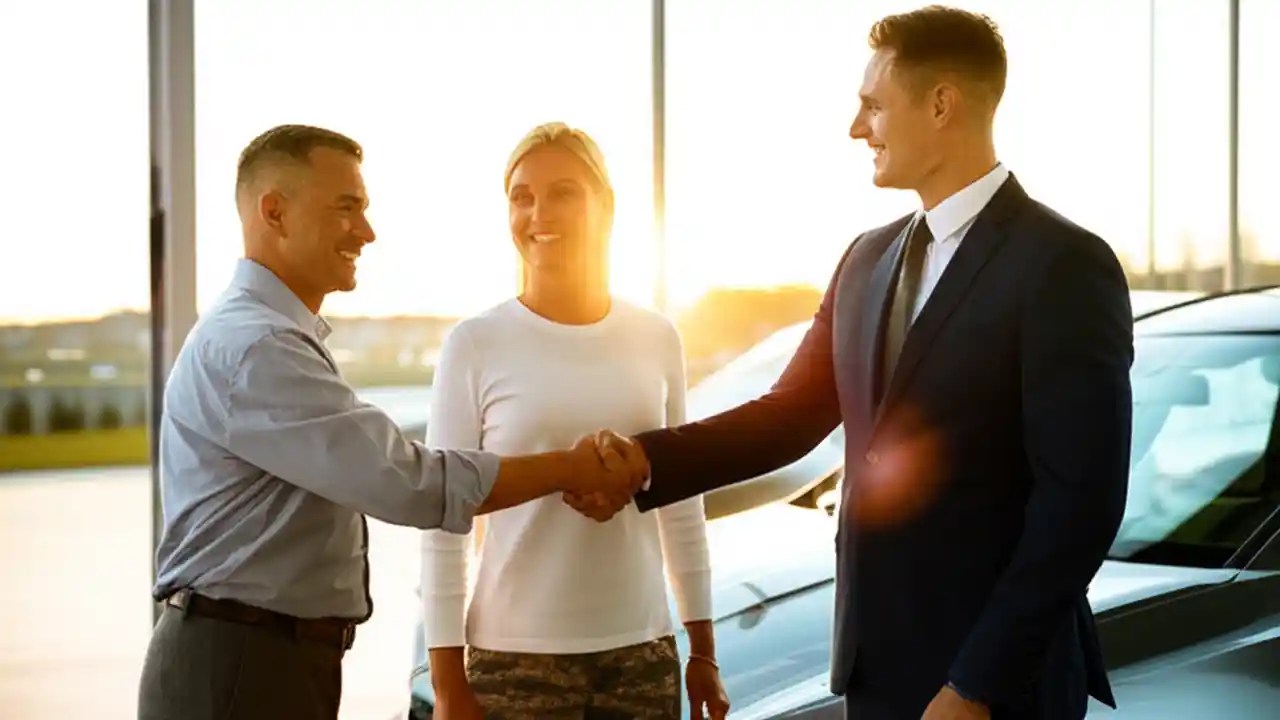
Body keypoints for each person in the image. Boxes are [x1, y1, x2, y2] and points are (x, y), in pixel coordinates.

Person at [589, 7, 1133, 720]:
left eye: (873, 105)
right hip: (876, 669)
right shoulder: (865, 258)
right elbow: (788, 417)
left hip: (1001, 684)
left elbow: (1079, 507)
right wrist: (644, 460)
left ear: (942, 104)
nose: (856, 127)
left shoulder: (1064, 265)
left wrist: (978, 684)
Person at [137, 124, 643, 720]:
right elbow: (409, 483)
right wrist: (571, 467)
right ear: (274, 211)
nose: (367, 232)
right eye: (346, 208)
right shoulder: (258, 347)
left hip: (263, 660)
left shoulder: (265, 336)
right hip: (241, 671)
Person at [420, 122, 730, 720]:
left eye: (564, 191)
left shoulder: (657, 337)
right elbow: (443, 521)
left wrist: (704, 651)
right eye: (521, 195)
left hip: (642, 652)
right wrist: (447, 684)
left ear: (605, 206)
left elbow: (681, 506)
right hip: (513, 664)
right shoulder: (474, 344)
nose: (539, 211)